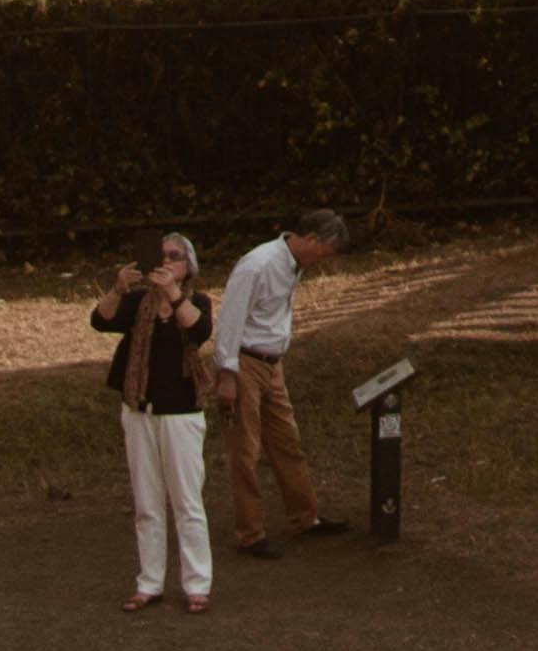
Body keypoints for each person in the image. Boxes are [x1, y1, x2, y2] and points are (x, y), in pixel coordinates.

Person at [209, 205, 349, 558]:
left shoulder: (293, 264)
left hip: (273, 364)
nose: (322, 260)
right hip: (245, 362)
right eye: (323, 252)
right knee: (245, 448)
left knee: (287, 440)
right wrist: (227, 373)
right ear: (311, 239)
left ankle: (306, 517)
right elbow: (229, 319)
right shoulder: (257, 265)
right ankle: (250, 533)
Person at [92, 231, 216, 611]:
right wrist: (117, 288)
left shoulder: (196, 301)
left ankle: (197, 584)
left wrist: (172, 295)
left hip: (180, 414)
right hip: (139, 410)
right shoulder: (137, 303)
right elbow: (100, 320)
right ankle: (149, 581)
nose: (165, 261)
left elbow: (198, 330)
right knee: (147, 502)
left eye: (174, 256)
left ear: (187, 266)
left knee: (186, 501)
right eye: (160, 255)